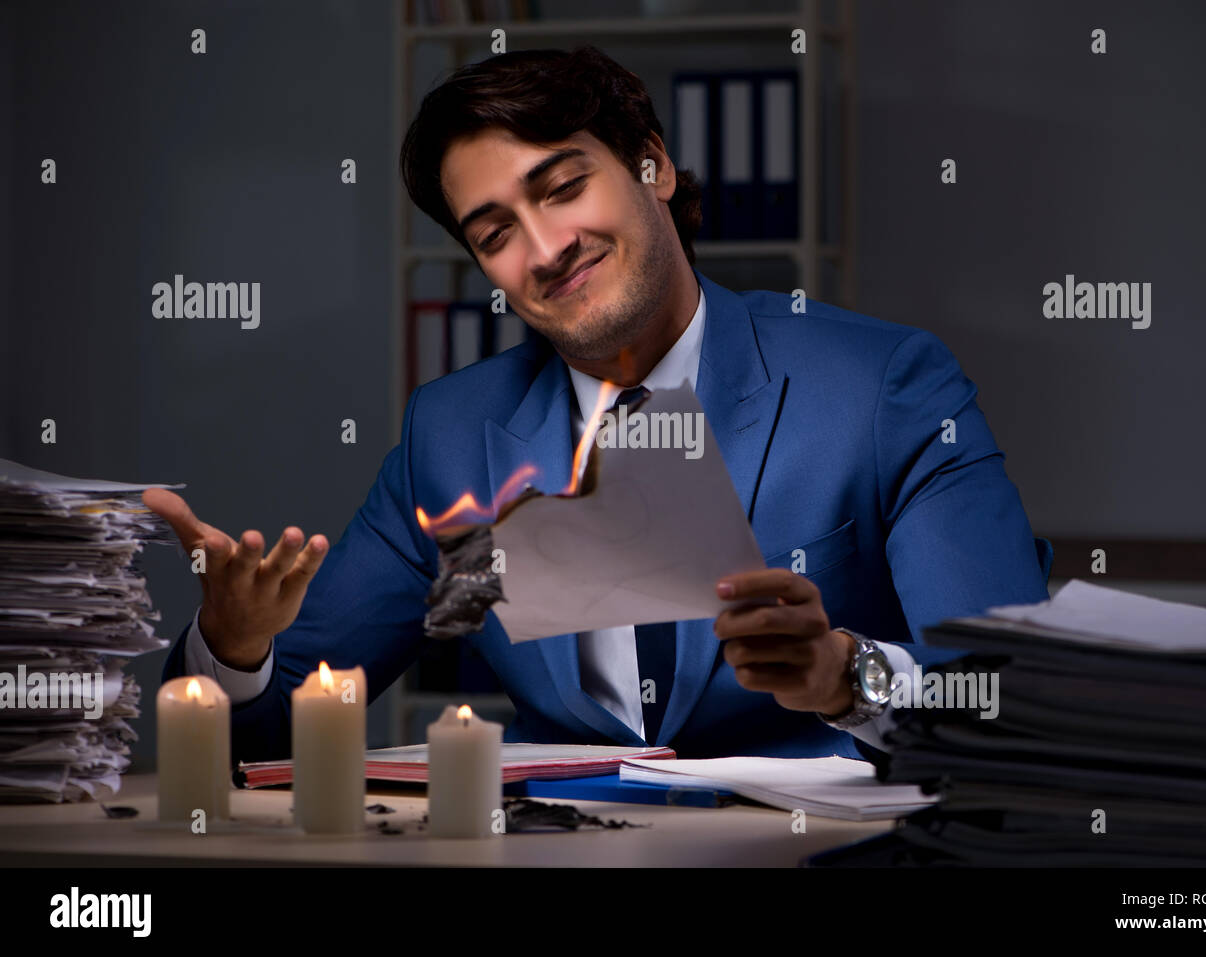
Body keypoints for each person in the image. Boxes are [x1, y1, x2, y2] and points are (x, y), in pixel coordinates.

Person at [145, 46, 1049, 765]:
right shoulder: (455, 440)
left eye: (563, 186)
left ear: (651, 166)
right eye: (495, 233)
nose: (545, 248)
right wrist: (233, 648)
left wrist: (846, 677)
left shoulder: (881, 387)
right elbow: (278, 735)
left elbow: (1010, 698)